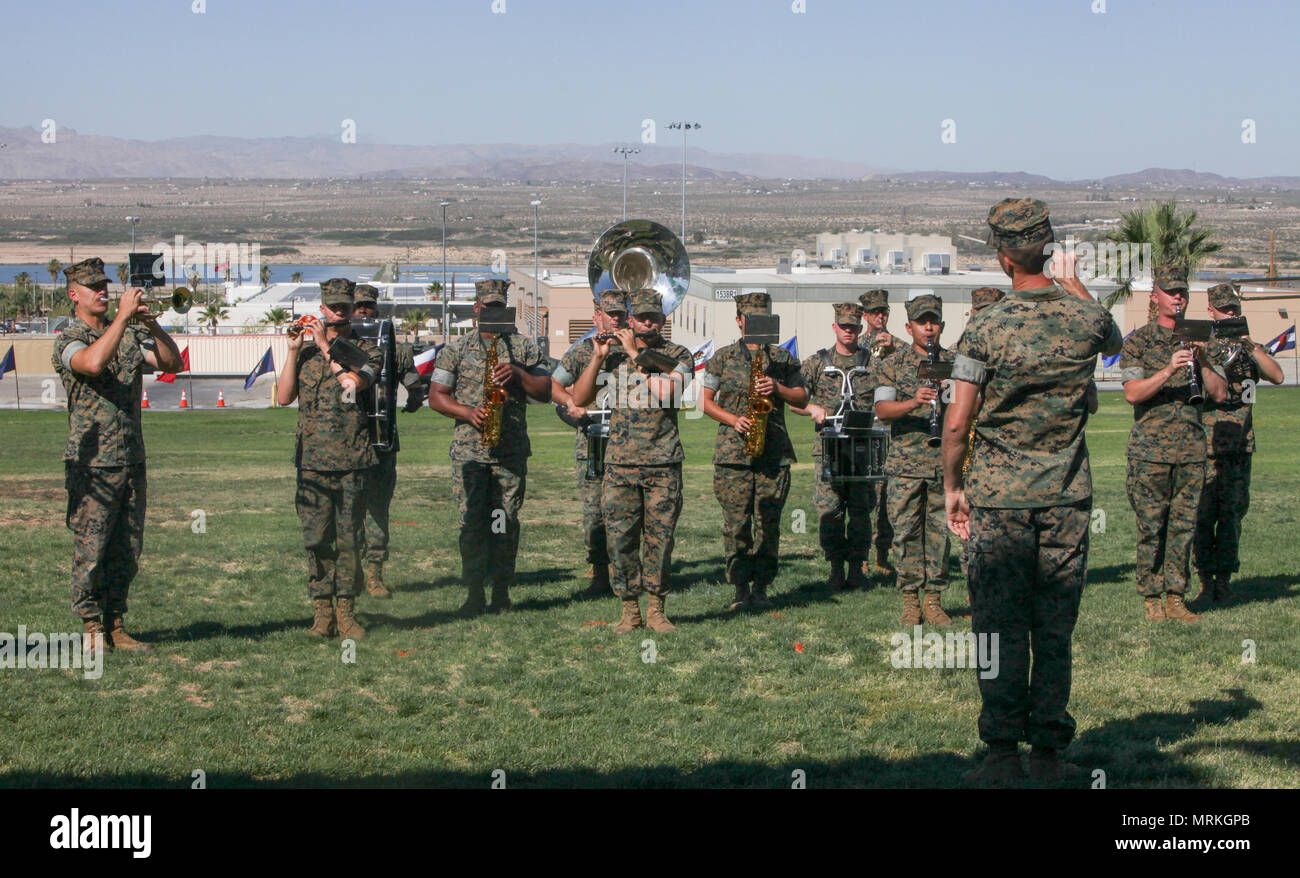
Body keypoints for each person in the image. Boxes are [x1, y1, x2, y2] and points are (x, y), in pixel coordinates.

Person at [945, 197, 1122, 784]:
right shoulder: (1086, 320)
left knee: (997, 628)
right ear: (1049, 247)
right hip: (1066, 498)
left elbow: (956, 423)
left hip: (998, 502)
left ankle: (1000, 754)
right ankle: (1048, 753)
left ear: (1001, 258)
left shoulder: (985, 326)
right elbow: (1112, 338)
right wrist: (1073, 284)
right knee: (1053, 628)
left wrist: (951, 485)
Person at [53, 257, 184, 655]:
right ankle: (91, 624)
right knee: (91, 548)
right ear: (75, 295)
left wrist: (150, 324)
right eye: (94, 287)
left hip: (131, 459)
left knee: (127, 547)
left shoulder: (127, 336)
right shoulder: (68, 337)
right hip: (92, 464)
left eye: (105, 285)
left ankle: (116, 622)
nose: (103, 292)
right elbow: (91, 363)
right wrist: (123, 318)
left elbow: (171, 364)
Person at [571, 290, 693, 632]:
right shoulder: (611, 357)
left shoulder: (677, 355)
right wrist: (597, 357)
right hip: (620, 463)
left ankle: (656, 608)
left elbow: (669, 392)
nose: (647, 322)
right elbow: (579, 397)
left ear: (663, 319)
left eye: (653, 316)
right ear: (631, 318)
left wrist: (634, 353)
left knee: (660, 539)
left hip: (662, 462)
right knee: (621, 540)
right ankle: (629, 610)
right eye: (640, 317)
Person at [428, 279, 551, 615]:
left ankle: (500, 591)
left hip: (509, 452)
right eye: (489, 307)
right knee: (471, 523)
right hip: (470, 453)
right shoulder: (455, 349)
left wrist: (518, 375)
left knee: (504, 522)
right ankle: (473, 592)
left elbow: (544, 391)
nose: (495, 313)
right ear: (477, 309)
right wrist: (467, 413)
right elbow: (436, 397)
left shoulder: (523, 348)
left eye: (501, 307)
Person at [1121, 264, 1227, 624]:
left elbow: (1220, 393)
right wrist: (1168, 370)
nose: (1178, 297)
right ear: (1155, 296)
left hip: (1192, 451)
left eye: (1182, 291)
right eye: (1170, 291)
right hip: (1150, 452)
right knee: (1152, 526)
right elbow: (1132, 394)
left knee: (1183, 527)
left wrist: (1202, 359)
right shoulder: (1139, 341)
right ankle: (1151, 595)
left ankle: (1176, 596)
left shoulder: (1202, 336)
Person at [277, 278, 381, 639]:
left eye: (344, 306)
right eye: (331, 306)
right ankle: (322, 611)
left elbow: (354, 384)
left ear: (353, 309)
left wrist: (325, 345)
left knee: (350, 539)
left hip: (352, 459)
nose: (338, 311)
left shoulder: (366, 350)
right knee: (317, 539)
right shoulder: (305, 354)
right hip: (312, 461)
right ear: (321, 308)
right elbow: (283, 397)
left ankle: (347, 612)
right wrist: (293, 351)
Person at [699, 292, 807, 609]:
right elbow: (704, 402)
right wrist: (733, 419)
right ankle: (740, 589)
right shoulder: (721, 357)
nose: (757, 325)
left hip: (772, 454)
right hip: (733, 456)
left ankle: (762, 587)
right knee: (736, 524)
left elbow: (801, 397)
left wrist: (778, 388)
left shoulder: (784, 359)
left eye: (764, 319)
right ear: (739, 321)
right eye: (751, 319)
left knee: (768, 523)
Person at [1195, 282, 1283, 602]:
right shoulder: (1201, 345)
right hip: (1206, 444)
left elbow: (1277, 376)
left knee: (1232, 515)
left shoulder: (1250, 349)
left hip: (1240, 444)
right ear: (1211, 311)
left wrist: (1251, 345)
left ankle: (1224, 578)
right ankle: (1205, 577)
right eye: (1225, 309)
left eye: (1234, 308)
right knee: (1203, 515)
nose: (1231, 313)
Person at [873, 293, 954, 626]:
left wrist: (951, 394)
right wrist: (912, 402)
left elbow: (970, 407)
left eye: (933, 321)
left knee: (939, 533)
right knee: (905, 532)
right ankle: (910, 599)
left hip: (943, 463)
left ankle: (934, 599)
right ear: (909, 327)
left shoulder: (955, 362)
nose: (929, 328)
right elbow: (881, 410)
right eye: (922, 322)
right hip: (906, 465)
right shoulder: (891, 364)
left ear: (942, 325)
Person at [791, 302, 876, 591]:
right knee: (830, 509)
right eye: (844, 326)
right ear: (835, 327)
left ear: (860, 328)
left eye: (854, 327)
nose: (849, 331)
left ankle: (857, 568)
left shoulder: (873, 363)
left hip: (863, 448)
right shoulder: (817, 362)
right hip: (828, 448)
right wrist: (812, 408)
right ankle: (836, 568)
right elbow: (794, 400)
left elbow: (888, 397)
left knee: (861, 510)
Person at [551, 291, 627, 598]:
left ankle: (627, 572)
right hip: (592, 444)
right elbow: (553, 385)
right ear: (597, 316)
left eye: (621, 313)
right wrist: (571, 403)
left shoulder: (634, 351)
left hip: (630, 444)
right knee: (595, 512)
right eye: (611, 314)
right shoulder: (581, 351)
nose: (617, 318)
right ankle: (598, 572)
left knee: (627, 511)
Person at [353, 284, 425, 598]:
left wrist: (413, 400)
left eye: (367, 306)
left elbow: (413, 384)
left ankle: (374, 575)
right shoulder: (338, 346)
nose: (362, 312)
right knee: (348, 510)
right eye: (357, 307)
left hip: (381, 442)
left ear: (376, 309)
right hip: (346, 445)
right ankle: (350, 573)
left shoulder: (394, 348)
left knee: (377, 509)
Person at [858, 288, 903, 578]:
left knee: (888, 494)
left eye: (884, 312)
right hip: (866, 427)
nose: (880, 316)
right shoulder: (858, 347)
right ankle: (860, 554)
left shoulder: (900, 346)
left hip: (891, 428)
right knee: (865, 494)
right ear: (865, 315)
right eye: (874, 312)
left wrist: (896, 346)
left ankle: (883, 553)